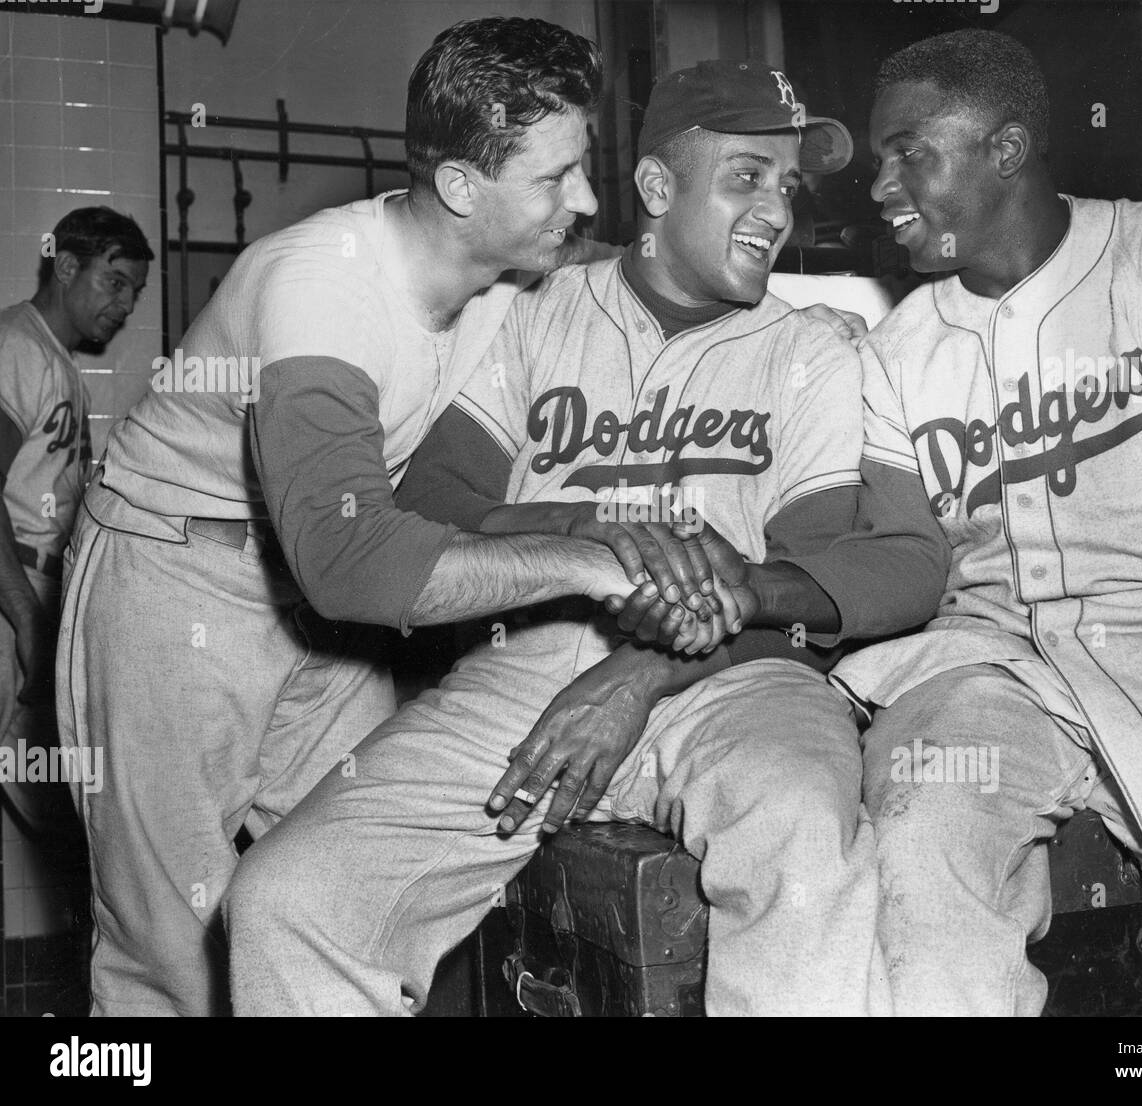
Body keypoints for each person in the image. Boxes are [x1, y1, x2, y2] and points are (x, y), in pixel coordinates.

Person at [224, 59, 949, 1017]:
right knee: (287, 898)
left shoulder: (812, 347)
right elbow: (435, 499)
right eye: (746, 176)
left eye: (787, 184)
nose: (777, 209)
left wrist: (635, 679)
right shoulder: (539, 312)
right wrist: (580, 528)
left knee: (803, 845)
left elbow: (810, 588)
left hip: (738, 678)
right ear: (657, 186)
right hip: (522, 670)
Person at [55, 17, 738, 1018]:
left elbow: (658, 275)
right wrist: (589, 559)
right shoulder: (320, 288)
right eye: (556, 179)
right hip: (175, 573)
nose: (585, 200)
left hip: (315, 607)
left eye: (583, 168)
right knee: (170, 941)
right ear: (461, 187)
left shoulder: (518, 269)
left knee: (346, 887)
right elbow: (353, 562)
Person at [834, 28, 1142, 1016]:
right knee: (920, 858)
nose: (878, 186)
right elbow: (902, 565)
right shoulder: (893, 353)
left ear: (1006, 148)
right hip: (985, 669)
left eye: (907, 153)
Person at [1, 207, 151, 834]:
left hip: (31, 594)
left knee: (63, 813)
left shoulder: (57, 360)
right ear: (65, 266)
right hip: (11, 596)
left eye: (134, 292)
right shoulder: (18, 346)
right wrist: (28, 620)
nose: (127, 305)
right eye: (115, 282)